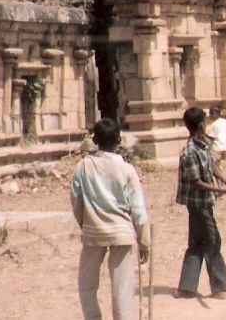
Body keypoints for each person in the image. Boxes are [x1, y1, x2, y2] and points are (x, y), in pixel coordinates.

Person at [70, 118, 151, 320]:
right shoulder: (127, 170)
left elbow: (76, 201)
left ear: (95, 140)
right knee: (122, 289)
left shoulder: (83, 167)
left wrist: (84, 223)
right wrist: (144, 242)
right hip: (122, 233)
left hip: (93, 231)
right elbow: (138, 210)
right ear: (119, 140)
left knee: (87, 285)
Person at [176, 107, 226, 299]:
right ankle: (219, 287)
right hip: (198, 205)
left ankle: (186, 288)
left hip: (205, 203)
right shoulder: (189, 152)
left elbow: (213, 166)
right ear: (201, 125)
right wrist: (223, 191)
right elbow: (197, 183)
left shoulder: (203, 146)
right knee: (212, 240)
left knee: (196, 243)